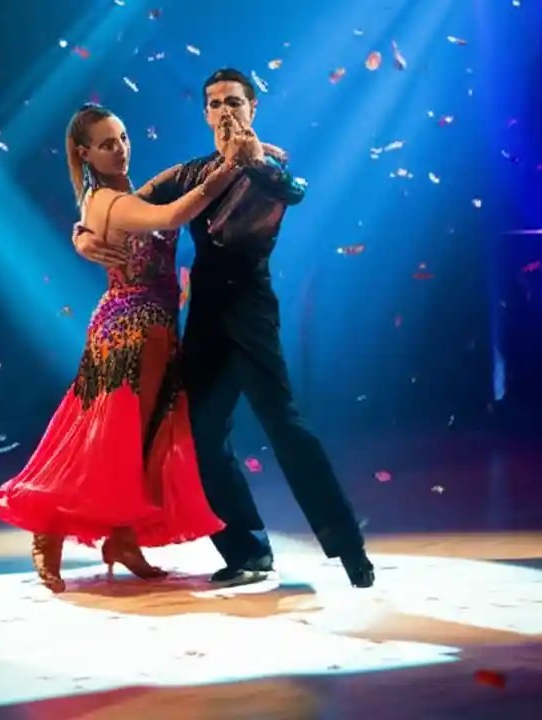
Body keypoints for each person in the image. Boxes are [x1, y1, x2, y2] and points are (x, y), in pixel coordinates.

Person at [75, 68, 375, 588]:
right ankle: (247, 551)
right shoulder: (192, 173)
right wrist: (83, 233)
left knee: (285, 426)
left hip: (251, 313)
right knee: (201, 436)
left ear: (252, 108)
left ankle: (349, 548)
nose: (224, 112)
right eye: (214, 104)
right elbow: (125, 207)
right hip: (207, 317)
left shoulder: (270, 162)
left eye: (234, 102)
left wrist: (251, 158)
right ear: (206, 113)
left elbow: (293, 190)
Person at [0, 103, 242, 593]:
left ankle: (123, 538)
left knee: (140, 438)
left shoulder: (120, 193)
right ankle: (49, 530)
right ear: (85, 153)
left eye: (123, 137)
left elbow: (172, 182)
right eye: (107, 144)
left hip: (158, 329)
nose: (121, 149)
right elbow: (172, 212)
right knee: (101, 434)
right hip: (127, 330)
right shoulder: (106, 200)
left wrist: (231, 155)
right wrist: (227, 169)